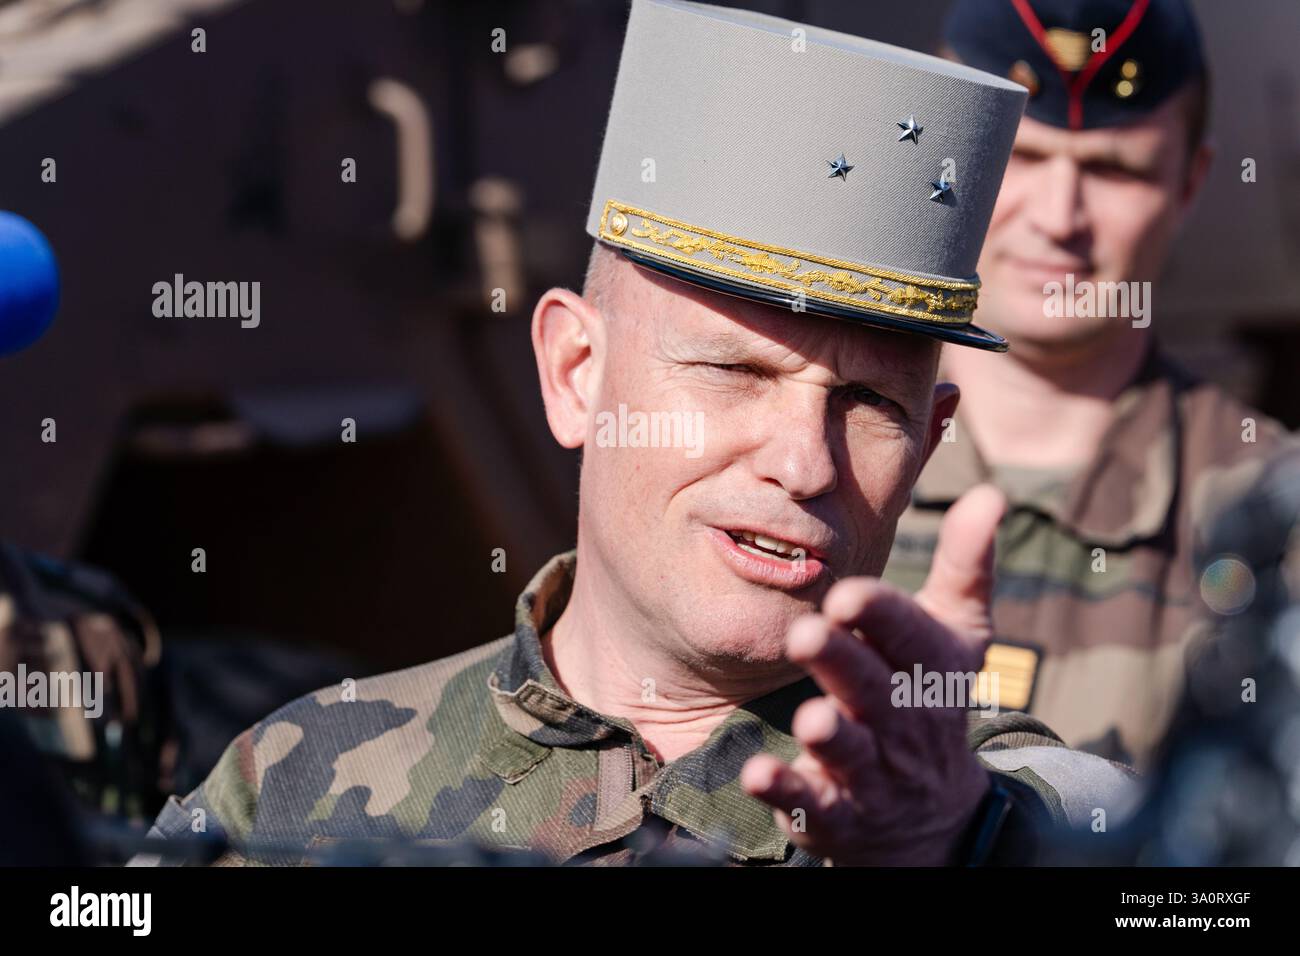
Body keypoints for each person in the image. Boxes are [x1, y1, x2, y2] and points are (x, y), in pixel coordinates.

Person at [132, 0, 1136, 868]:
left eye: (870, 403)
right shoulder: (295, 776)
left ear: (930, 437)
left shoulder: (969, 789)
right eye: (734, 370)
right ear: (576, 373)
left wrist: (955, 839)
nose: (802, 460)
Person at [883, 0, 1287, 768]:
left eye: (1112, 169)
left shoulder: (1267, 518)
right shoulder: (815, 458)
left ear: (1191, 182)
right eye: (1020, 156)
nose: (1058, 217)